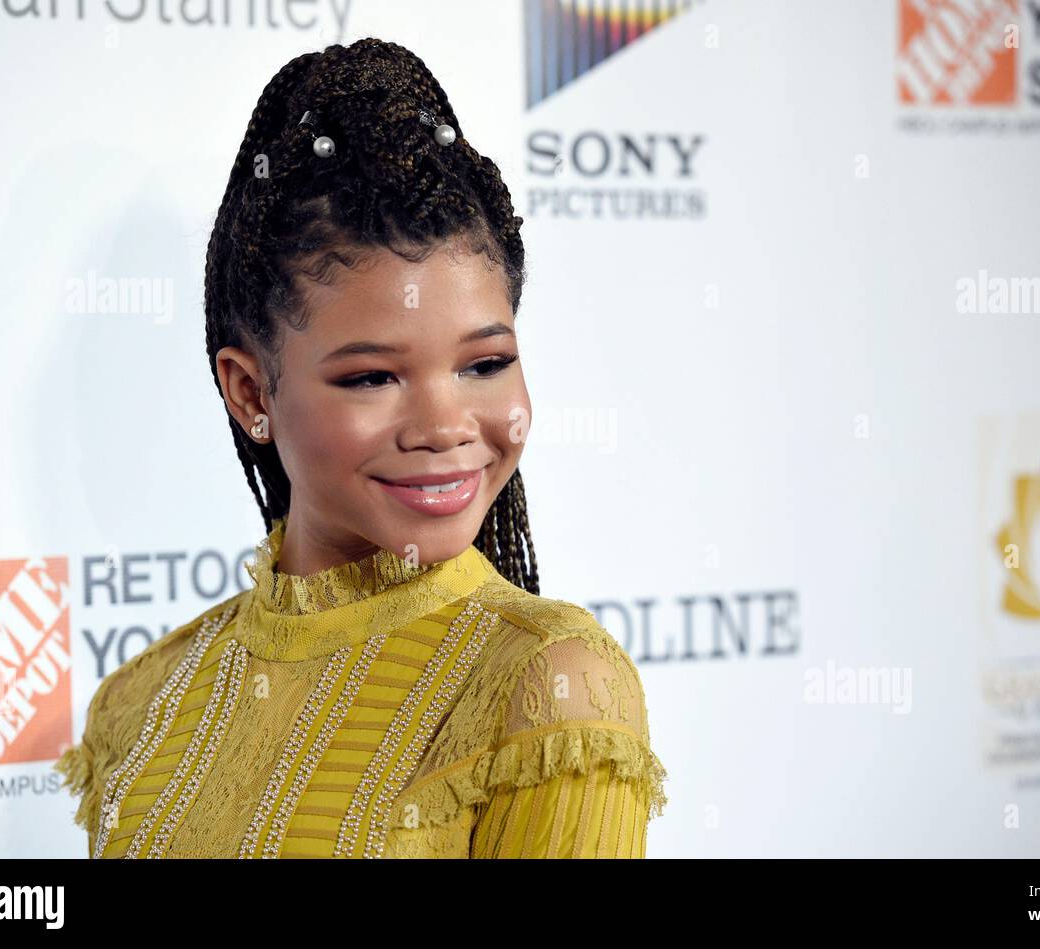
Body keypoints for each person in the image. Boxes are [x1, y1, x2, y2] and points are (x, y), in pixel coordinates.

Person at [53, 38, 668, 859]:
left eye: (485, 363)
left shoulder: (553, 687)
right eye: (374, 378)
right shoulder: (143, 702)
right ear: (250, 392)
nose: (446, 426)